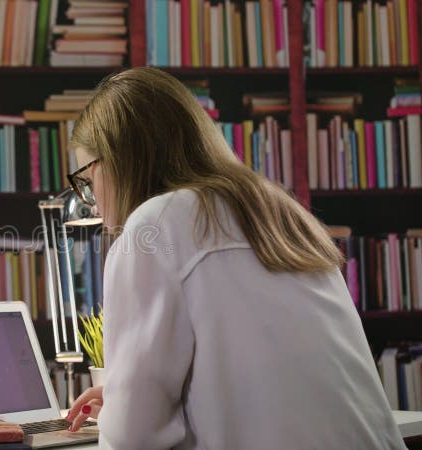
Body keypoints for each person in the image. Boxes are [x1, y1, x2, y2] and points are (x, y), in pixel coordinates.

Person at [62, 67, 405, 449]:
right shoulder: (281, 210)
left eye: (89, 182)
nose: (100, 210)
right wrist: (125, 398)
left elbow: (133, 440)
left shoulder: (152, 226)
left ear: (118, 161)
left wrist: (122, 412)